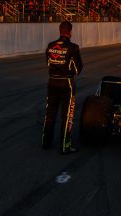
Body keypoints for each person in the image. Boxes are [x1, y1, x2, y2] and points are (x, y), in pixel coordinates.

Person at [42, 21, 83, 154]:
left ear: (60, 31)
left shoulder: (50, 46)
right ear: (70, 32)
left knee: (50, 114)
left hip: (52, 82)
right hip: (67, 84)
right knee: (67, 116)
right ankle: (65, 145)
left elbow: (48, 63)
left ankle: (46, 142)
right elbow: (78, 69)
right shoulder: (73, 47)